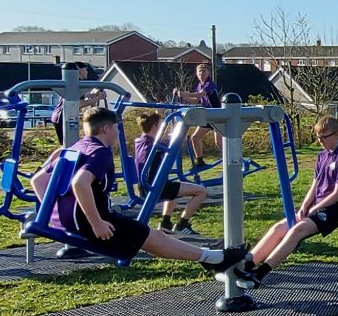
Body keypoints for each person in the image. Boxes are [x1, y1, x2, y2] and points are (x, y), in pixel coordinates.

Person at [29, 107, 237, 272]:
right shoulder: (99, 152)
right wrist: (97, 223)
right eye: (117, 128)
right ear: (106, 129)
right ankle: (214, 258)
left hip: (66, 220)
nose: (118, 132)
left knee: (150, 236)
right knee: (153, 239)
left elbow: (38, 181)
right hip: (91, 221)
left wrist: (53, 213)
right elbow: (79, 183)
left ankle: (212, 257)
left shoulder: (73, 148)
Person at [224, 115, 338, 288]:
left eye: (324, 138)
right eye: (318, 138)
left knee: (296, 231)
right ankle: (247, 265)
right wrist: (304, 206)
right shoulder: (322, 156)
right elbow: (315, 185)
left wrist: (315, 208)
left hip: (334, 210)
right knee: (280, 227)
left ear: (337, 135)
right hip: (318, 207)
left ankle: (260, 273)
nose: (321, 141)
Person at [132, 112, 208, 235]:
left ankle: (165, 223)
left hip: (143, 185)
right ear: (156, 126)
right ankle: (182, 224)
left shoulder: (140, 142)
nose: (164, 128)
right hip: (155, 187)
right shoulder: (155, 146)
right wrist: (178, 137)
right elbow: (168, 146)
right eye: (162, 125)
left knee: (173, 189)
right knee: (201, 191)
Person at [182, 61, 223, 157]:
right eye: (199, 71)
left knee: (219, 143)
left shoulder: (210, 84)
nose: (201, 73)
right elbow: (196, 100)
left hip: (217, 116)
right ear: (196, 73)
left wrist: (185, 93)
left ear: (208, 73)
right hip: (208, 116)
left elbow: (200, 94)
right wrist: (183, 97)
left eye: (204, 71)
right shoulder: (199, 85)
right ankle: (200, 161)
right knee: (195, 138)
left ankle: (231, 161)